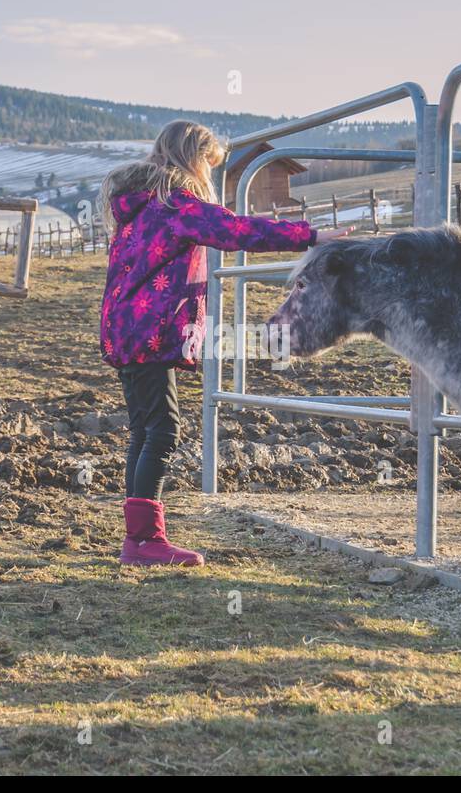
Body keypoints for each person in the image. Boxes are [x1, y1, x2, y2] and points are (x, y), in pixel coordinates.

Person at [99, 120, 348, 566]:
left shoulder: (136, 205)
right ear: (193, 159)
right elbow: (236, 230)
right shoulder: (176, 204)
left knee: (145, 428)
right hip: (150, 330)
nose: (209, 175)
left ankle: (137, 541)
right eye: (208, 164)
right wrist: (309, 236)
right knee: (162, 429)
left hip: (125, 328)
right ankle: (146, 542)